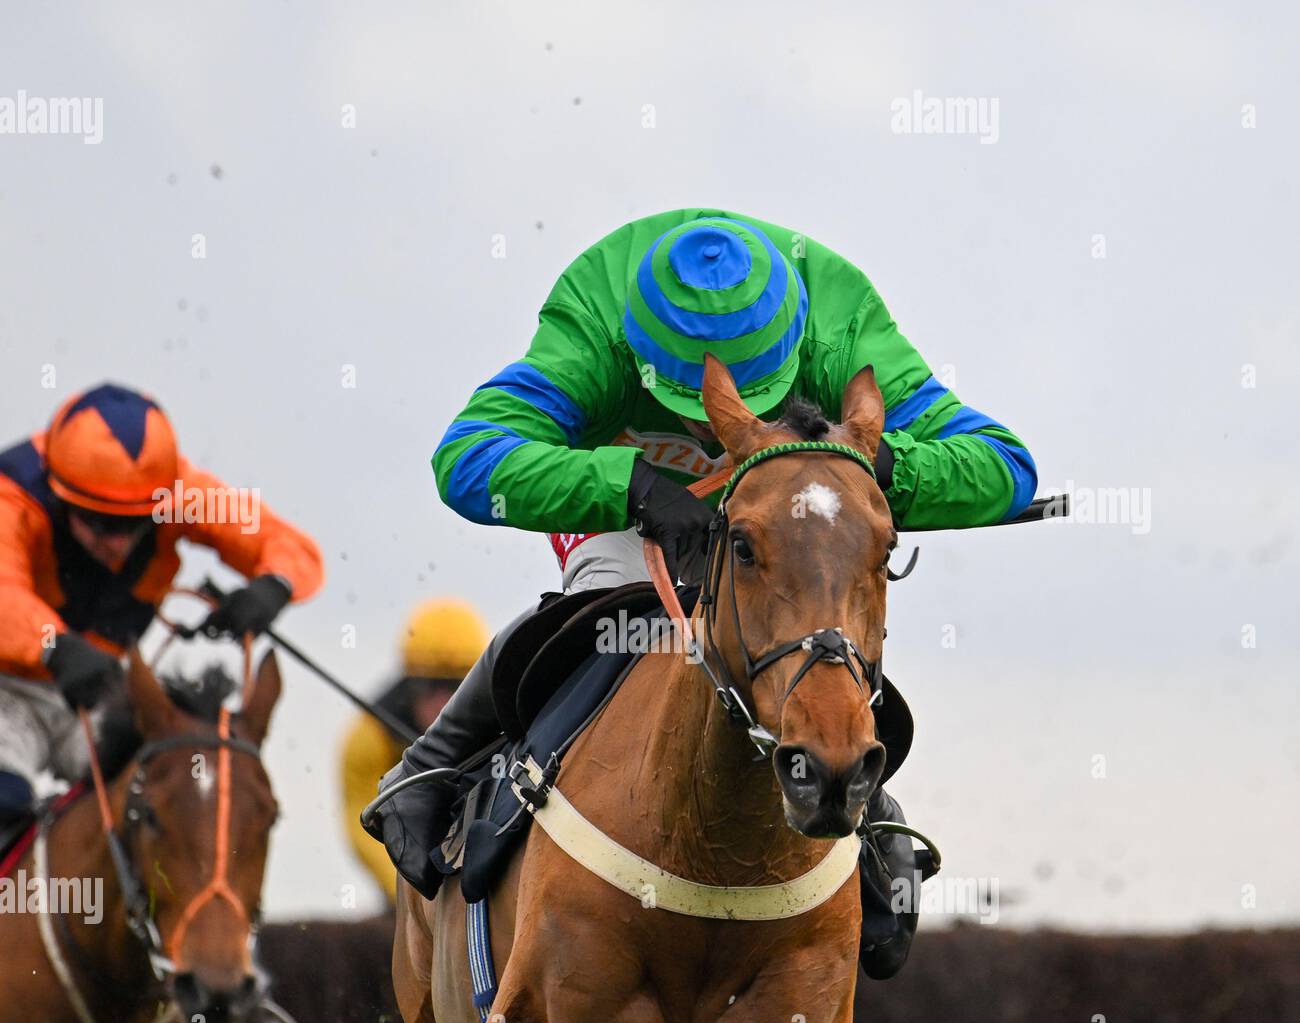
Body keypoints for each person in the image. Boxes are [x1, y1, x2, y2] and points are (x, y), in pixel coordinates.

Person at [369, 209, 1036, 979]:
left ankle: (871, 807)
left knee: (812, 621)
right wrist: (632, 486)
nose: (716, 427)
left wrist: (866, 466)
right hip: (634, 516)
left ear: (792, 345)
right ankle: (430, 766)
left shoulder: (842, 320)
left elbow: (1003, 465)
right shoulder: (596, 316)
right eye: (694, 404)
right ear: (639, 355)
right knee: (615, 613)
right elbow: (468, 459)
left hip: (787, 520)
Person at [0, 382, 324, 1023]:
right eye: (94, 522)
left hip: (101, 692)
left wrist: (266, 589)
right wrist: (55, 647)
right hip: (10, 693)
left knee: (189, 799)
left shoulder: (183, 492)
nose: (116, 543)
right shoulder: (13, 492)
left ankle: (235, 994)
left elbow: (288, 545)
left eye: (133, 525)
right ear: (59, 497)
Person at [340, 599, 489, 904]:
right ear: (409, 686)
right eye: (429, 687)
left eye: (457, 688)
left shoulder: (504, 726)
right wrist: (414, 895)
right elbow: (362, 827)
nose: (442, 703)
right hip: (412, 895)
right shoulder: (368, 738)